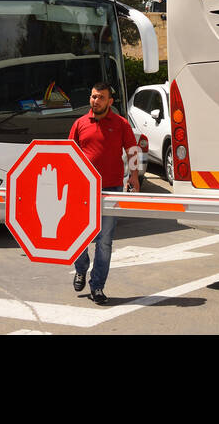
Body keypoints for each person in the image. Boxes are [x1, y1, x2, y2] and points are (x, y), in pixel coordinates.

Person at [67, 82, 140, 304]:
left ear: (110, 101)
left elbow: (133, 150)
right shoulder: (79, 124)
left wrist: (134, 176)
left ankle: (97, 286)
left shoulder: (121, 124)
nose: (95, 100)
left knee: (105, 241)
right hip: (82, 188)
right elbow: (68, 154)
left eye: (100, 97)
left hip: (112, 187)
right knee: (79, 236)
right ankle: (81, 268)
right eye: (93, 96)